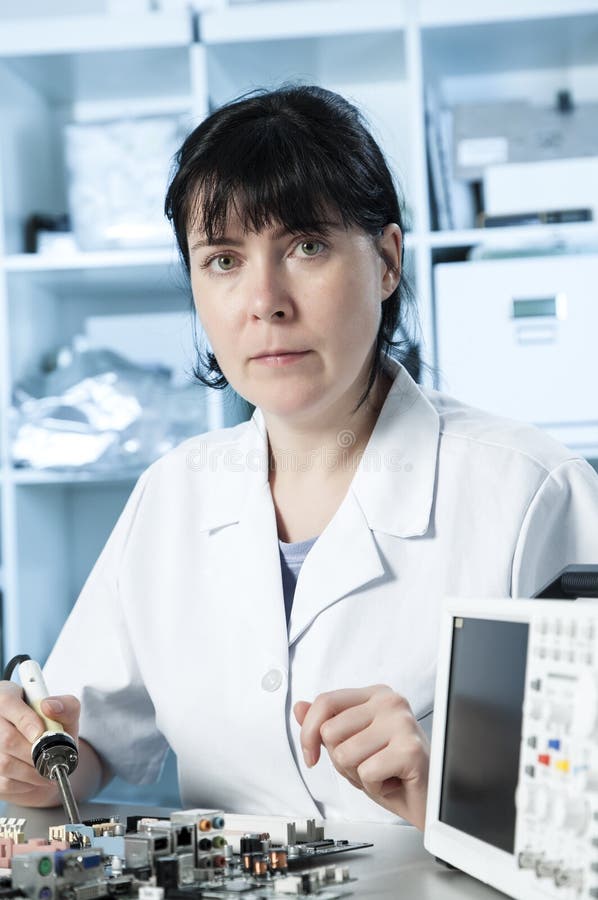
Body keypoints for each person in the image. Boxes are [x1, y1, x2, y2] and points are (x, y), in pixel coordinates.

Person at [1, 85, 598, 831]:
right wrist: (31, 757)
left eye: (306, 247)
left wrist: (448, 793)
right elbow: (85, 746)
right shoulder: (174, 494)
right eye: (223, 260)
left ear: (386, 262)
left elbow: (584, 819)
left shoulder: (531, 493)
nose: (265, 301)